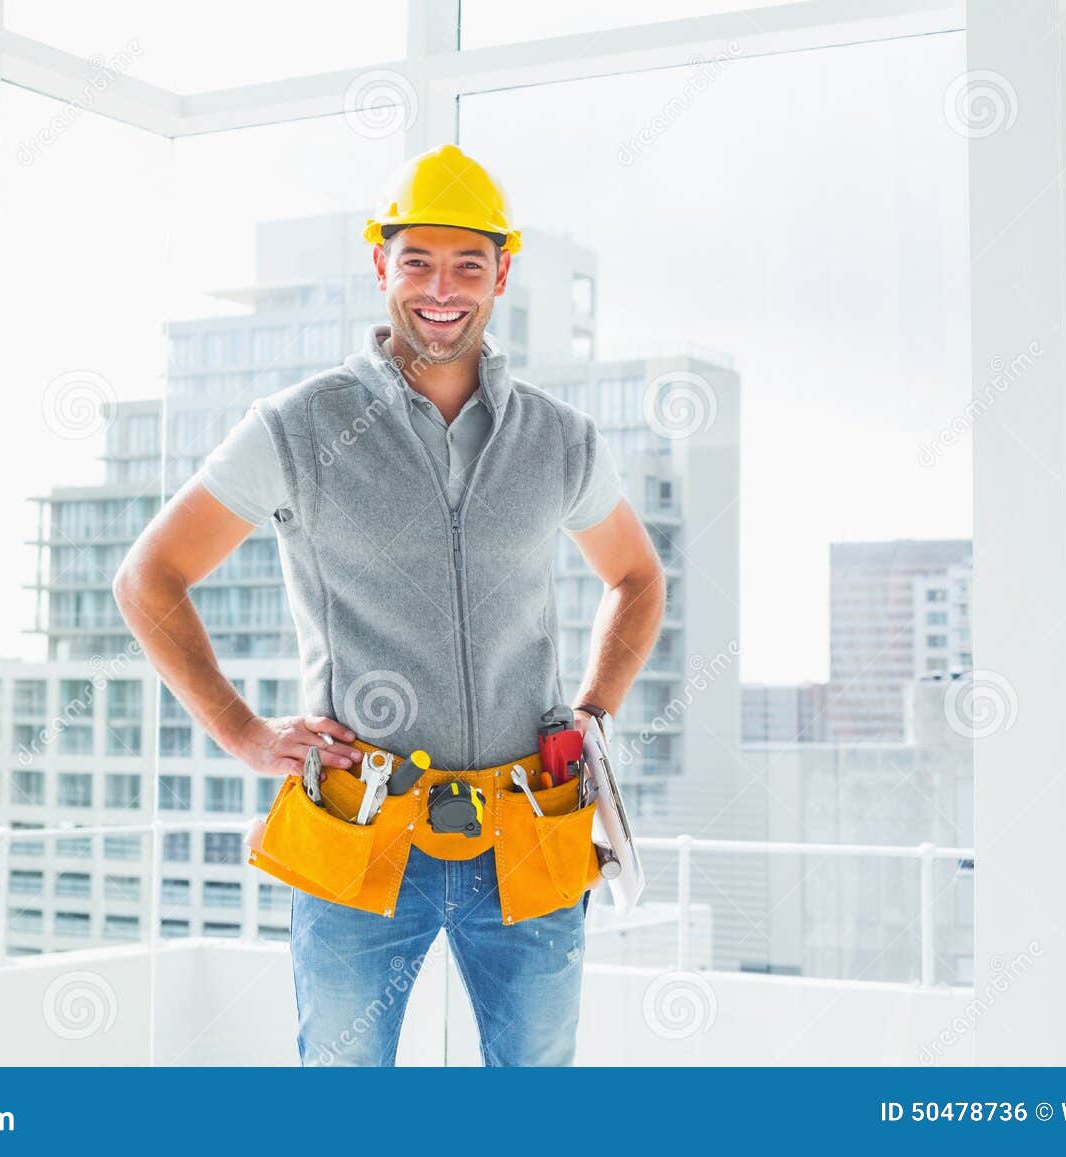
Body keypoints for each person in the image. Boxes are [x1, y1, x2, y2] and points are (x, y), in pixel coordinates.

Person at [113, 143, 664, 1066]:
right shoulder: (298, 425)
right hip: (357, 828)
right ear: (380, 265)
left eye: (467, 264)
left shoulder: (559, 440)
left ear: (502, 273)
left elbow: (638, 578)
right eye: (416, 260)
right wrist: (245, 734)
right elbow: (148, 578)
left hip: (532, 828)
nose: (440, 288)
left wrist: (596, 713)